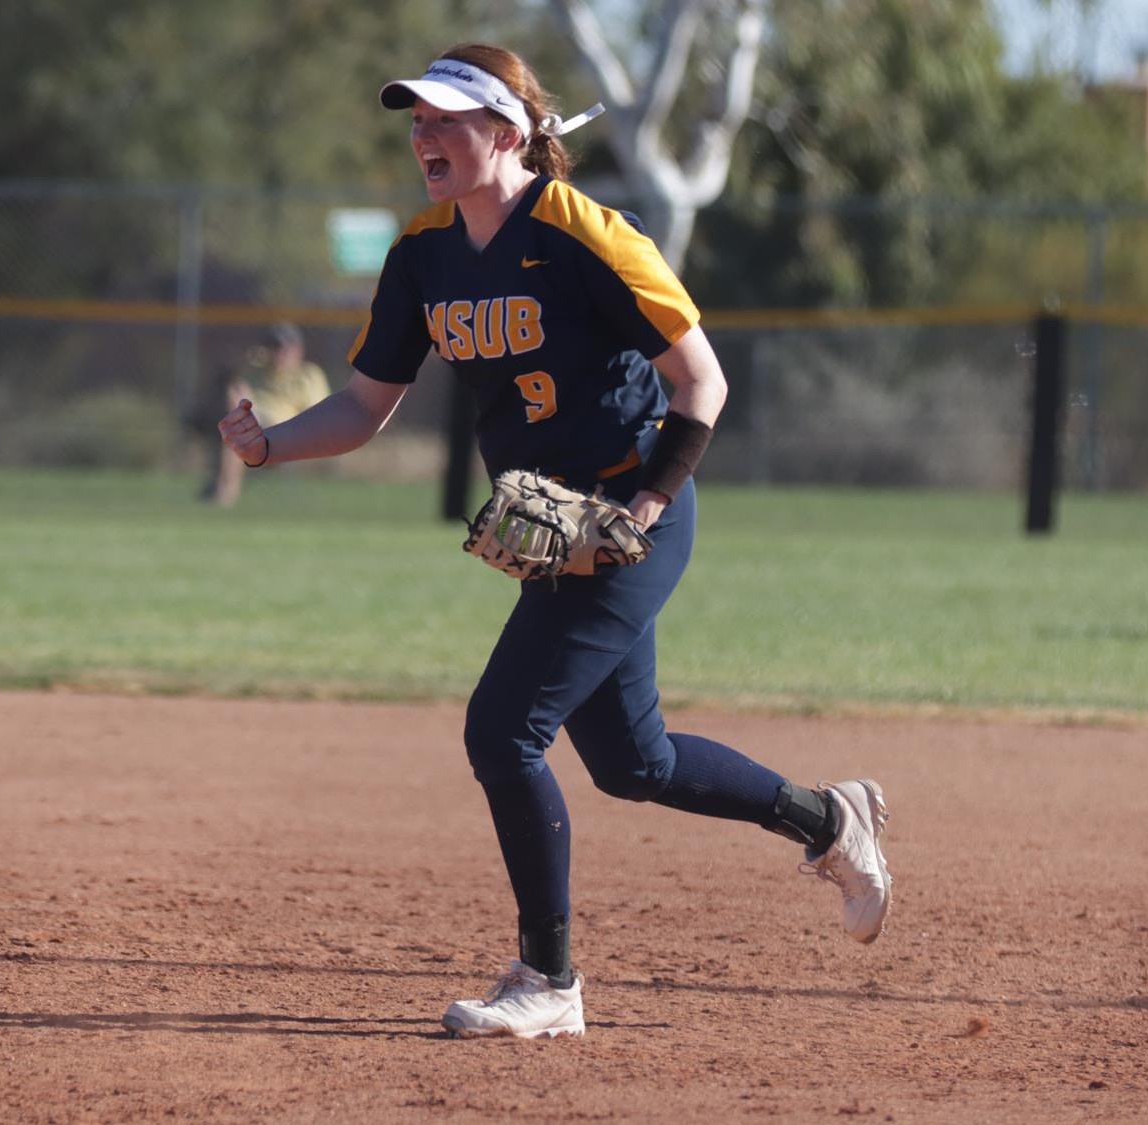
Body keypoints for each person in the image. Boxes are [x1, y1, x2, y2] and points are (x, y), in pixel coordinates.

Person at [217, 43, 891, 1040]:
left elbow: (700, 381)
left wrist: (650, 507)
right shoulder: (422, 256)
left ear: (507, 131)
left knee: (502, 731)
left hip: (628, 515)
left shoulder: (585, 234)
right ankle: (828, 820)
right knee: (633, 763)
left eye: (446, 119)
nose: (424, 138)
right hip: (553, 533)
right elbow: (365, 405)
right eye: (415, 122)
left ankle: (548, 981)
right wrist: (269, 445)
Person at [201, 322, 330, 506]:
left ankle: (225, 490)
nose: (279, 353)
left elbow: (319, 413)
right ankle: (223, 486)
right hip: (250, 421)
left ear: (298, 350)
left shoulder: (308, 375)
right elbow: (235, 381)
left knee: (237, 427)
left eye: (284, 347)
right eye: (274, 347)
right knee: (235, 405)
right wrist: (249, 358)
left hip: (283, 429)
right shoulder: (256, 370)